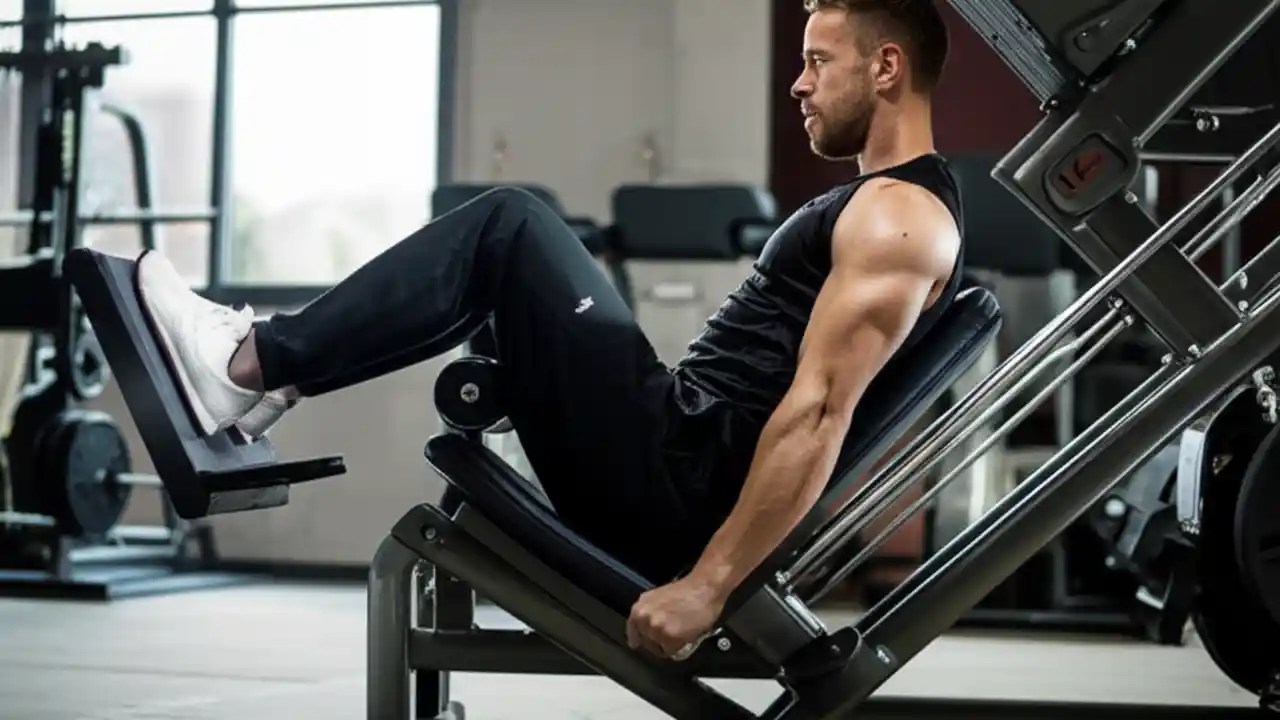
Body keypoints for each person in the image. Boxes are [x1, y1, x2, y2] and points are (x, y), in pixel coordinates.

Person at [138, 0, 961, 660]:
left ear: (886, 66)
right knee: (509, 242)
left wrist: (708, 587)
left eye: (818, 61)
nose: (799, 83)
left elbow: (818, 411)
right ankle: (265, 378)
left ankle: (249, 366)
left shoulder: (900, 219)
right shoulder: (881, 206)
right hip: (673, 442)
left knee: (510, 224)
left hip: (677, 483)